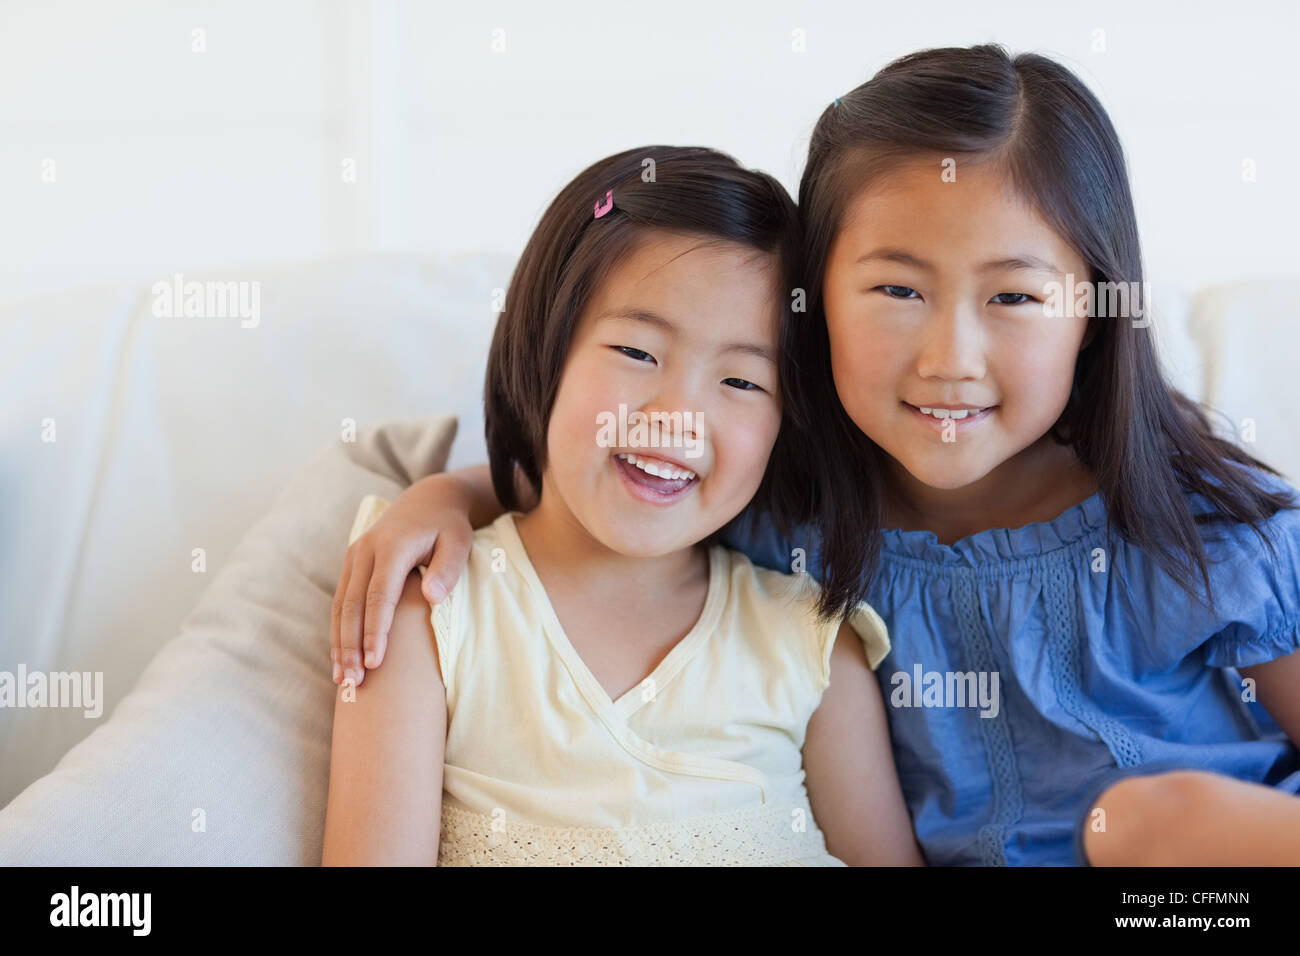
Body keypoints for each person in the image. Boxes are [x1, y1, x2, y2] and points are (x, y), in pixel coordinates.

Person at [332, 46, 1300, 866]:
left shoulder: (1200, 531)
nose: (948, 359)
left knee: (1135, 821)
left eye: (1012, 297)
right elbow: (606, 489)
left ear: (1094, 310)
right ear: (809, 302)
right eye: (894, 289)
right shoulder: (781, 518)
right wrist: (450, 497)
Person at [320, 144, 924, 866]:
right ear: (547, 351)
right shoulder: (430, 614)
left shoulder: (814, 643)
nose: (678, 416)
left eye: (741, 383)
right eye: (638, 353)